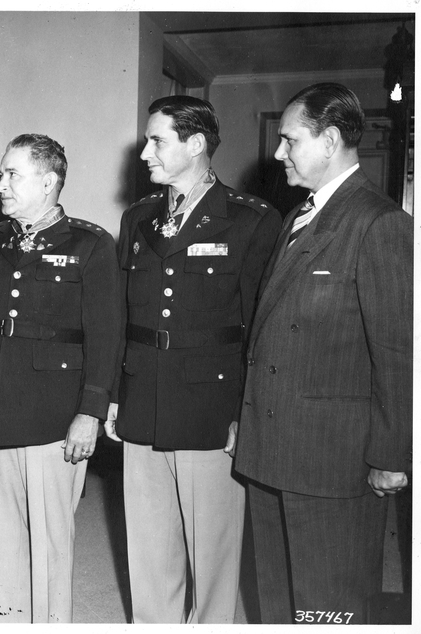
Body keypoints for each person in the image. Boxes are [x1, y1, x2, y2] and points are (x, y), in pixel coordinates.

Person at [231, 83, 412, 624]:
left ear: (330, 141)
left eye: (290, 140)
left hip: (334, 461)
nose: (279, 152)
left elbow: (399, 353)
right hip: (274, 448)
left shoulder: (379, 223)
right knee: (279, 601)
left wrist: (391, 455)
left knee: (327, 609)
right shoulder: (299, 216)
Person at [106, 95, 281, 623]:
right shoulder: (138, 218)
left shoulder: (250, 220)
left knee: (214, 554)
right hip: (143, 395)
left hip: (211, 404)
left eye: (158, 141)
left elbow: (261, 329)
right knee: (149, 546)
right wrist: (114, 398)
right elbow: (122, 316)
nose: (145, 154)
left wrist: (244, 412)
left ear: (197, 144)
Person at [0, 134, 121, 623]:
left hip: (55, 408)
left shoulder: (90, 243)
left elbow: (106, 336)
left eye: (11, 174)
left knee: (50, 537)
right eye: (1, 173)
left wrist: (90, 411)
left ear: (48, 182)